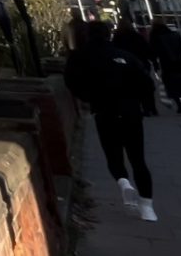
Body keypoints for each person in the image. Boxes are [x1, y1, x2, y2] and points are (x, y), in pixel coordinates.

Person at [65, 20, 159, 221]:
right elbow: (147, 85)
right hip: (131, 113)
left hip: (104, 111)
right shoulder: (125, 56)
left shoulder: (80, 56)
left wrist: (89, 97)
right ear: (109, 35)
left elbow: (71, 82)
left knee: (113, 156)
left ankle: (123, 182)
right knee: (138, 159)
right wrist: (139, 102)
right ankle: (147, 207)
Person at [148, 21, 181, 117]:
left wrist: (155, 65)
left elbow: (153, 53)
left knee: (172, 85)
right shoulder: (175, 35)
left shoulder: (155, 37)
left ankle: (179, 105)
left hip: (167, 65)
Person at [112, 21, 158, 116]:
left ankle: (141, 107)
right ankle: (151, 107)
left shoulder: (117, 38)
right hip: (141, 63)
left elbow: (114, 52)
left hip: (126, 65)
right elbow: (146, 49)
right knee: (146, 86)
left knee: (133, 87)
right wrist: (153, 60)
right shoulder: (137, 36)